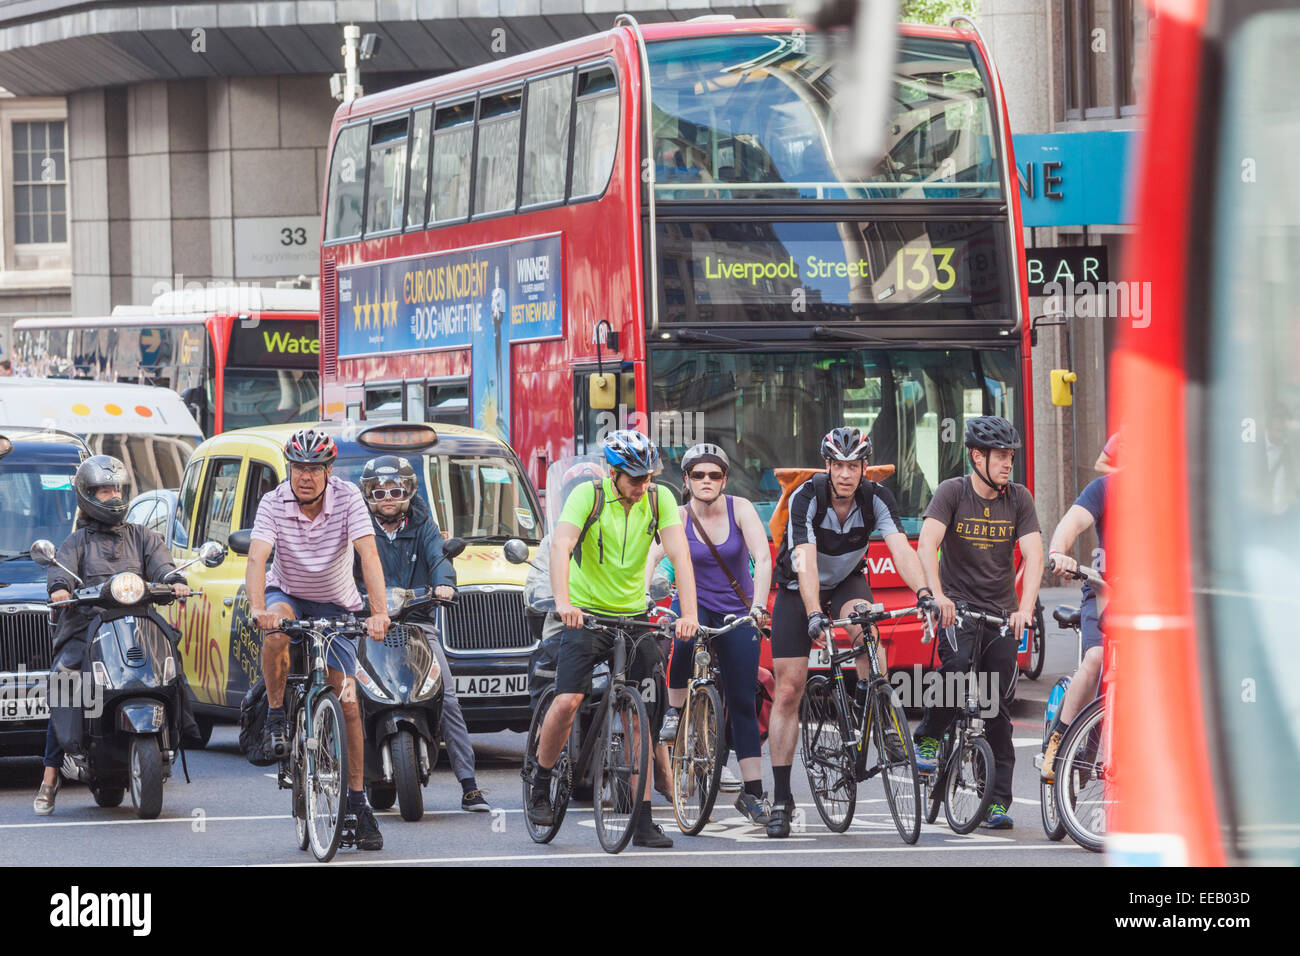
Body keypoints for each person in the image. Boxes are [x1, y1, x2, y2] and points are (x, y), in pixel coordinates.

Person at [525, 429, 699, 849]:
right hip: (586, 615)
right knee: (568, 700)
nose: (641, 487)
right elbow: (561, 548)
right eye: (633, 479)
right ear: (612, 472)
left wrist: (689, 614)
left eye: (647, 478)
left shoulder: (660, 500)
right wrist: (565, 604)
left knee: (642, 715)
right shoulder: (589, 496)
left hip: (633, 616)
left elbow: (681, 556)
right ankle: (541, 778)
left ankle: (640, 818)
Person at [765, 426, 930, 838]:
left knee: (865, 626)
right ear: (828, 466)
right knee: (788, 689)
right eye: (838, 465)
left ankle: (874, 708)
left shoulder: (876, 498)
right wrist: (811, 614)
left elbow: (899, 547)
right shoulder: (808, 497)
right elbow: (803, 560)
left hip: (846, 583)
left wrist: (924, 591)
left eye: (853, 466)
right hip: (796, 586)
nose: (845, 474)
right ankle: (782, 799)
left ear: (863, 468)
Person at [246, 428, 391, 851]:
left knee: (347, 701)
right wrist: (259, 608)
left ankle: (359, 803)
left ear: (329, 471)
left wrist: (378, 612)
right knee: (276, 631)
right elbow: (258, 557)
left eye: (313, 468)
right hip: (287, 594)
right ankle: (276, 716)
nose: (304, 476)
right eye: (298, 467)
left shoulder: (348, 499)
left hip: (337, 606)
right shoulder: (274, 501)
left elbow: (369, 555)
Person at [34, 456, 191, 815]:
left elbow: (162, 566)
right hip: (87, 628)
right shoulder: (76, 542)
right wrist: (60, 590)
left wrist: (175, 582)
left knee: (172, 665)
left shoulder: (143, 536)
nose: (112, 496)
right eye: (104, 490)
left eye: (116, 489)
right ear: (88, 495)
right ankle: (50, 776)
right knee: (66, 679)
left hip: (137, 624)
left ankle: (177, 736)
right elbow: (60, 574)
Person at [913, 415, 1044, 829]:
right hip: (960, 608)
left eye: (1010, 456)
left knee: (998, 708)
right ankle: (930, 735)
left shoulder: (1018, 499)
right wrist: (938, 596)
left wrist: (1025, 609)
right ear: (977, 456)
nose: (1008, 464)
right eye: (1001, 456)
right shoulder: (953, 492)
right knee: (953, 673)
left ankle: (996, 801)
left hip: (1001, 613)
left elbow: (1035, 554)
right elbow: (927, 543)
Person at [354, 454, 490, 812]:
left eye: (395, 491)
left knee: (446, 697)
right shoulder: (357, 528)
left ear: (409, 492)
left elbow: (439, 559)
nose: (387, 499)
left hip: (418, 625)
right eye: (378, 492)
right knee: (346, 696)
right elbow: (342, 566)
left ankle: (470, 785)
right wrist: (353, 599)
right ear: (367, 495)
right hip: (368, 626)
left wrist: (444, 584)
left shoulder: (425, 525)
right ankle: (345, 784)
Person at [649, 443, 774, 825]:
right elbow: (653, 556)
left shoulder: (741, 509)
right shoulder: (678, 515)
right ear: (685, 480)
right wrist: (647, 594)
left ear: (724, 479)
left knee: (741, 701)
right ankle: (674, 710)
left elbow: (763, 556)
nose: (707, 481)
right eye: (698, 475)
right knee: (684, 635)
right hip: (692, 603)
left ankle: (753, 794)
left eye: (714, 475)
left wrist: (758, 606)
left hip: (737, 609)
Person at [1041, 473, 1109, 780]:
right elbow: (1073, 521)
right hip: (1104, 590)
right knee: (1096, 658)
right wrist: (1058, 553)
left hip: (1150, 594)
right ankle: (1059, 740)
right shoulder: (1106, 487)